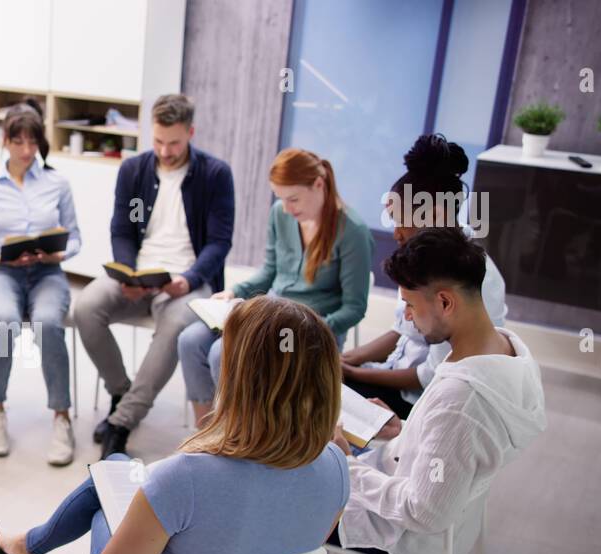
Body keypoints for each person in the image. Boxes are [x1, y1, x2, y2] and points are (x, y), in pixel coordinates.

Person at [0, 295, 349, 554]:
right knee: (117, 470)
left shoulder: (184, 476)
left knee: (108, 485)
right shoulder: (336, 466)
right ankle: (25, 546)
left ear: (236, 376)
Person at [332, 228, 546, 554]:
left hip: (411, 534)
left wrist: (348, 467)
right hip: (447, 506)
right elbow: (456, 446)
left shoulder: (461, 402)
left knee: (291, 496)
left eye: (411, 306)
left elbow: (424, 513)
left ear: (445, 302)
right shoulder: (507, 350)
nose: (408, 318)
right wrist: (405, 430)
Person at [74, 93, 235, 459]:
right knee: (86, 307)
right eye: (158, 141)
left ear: (191, 132)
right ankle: (122, 390)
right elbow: (122, 231)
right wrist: (128, 273)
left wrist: (190, 279)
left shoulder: (215, 175)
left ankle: (122, 421)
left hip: (189, 280)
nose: (164, 151)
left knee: (177, 325)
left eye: (174, 142)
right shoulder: (134, 170)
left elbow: (219, 242)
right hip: (141, 272)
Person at [178, 147, 372, 426]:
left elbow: (354, 307)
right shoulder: (280, 214)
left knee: (223, 352)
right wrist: (234, 292)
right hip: (271, 312)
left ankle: (237, 435)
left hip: (312, 328)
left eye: (293, 198)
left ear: (319, 184)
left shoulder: (352, 231)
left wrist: (312, 329)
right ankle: (207, 431)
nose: (287, 208)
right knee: (190, 341)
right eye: (281, 198)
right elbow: (269, 272)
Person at [340, 133, 507, 419]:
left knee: (319, 398)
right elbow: (403, 332)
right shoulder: (421, 256)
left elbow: (432, 376)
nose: (395, 233)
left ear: (436, 214)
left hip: (423, 401)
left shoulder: (475, 279)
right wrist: (348, 359)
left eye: (400, 221)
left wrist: (355, 373)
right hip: (394, 374)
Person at [0, 98, 81, 464]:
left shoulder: (57, 182)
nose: (26, 151)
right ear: (6, 143)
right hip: (5, 273)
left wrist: (58, 254)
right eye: (18, 142)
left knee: (46, 323)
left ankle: (61, 417)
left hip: (47, 273)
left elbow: (75, 237)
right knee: (3, 323)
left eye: (32, 143)